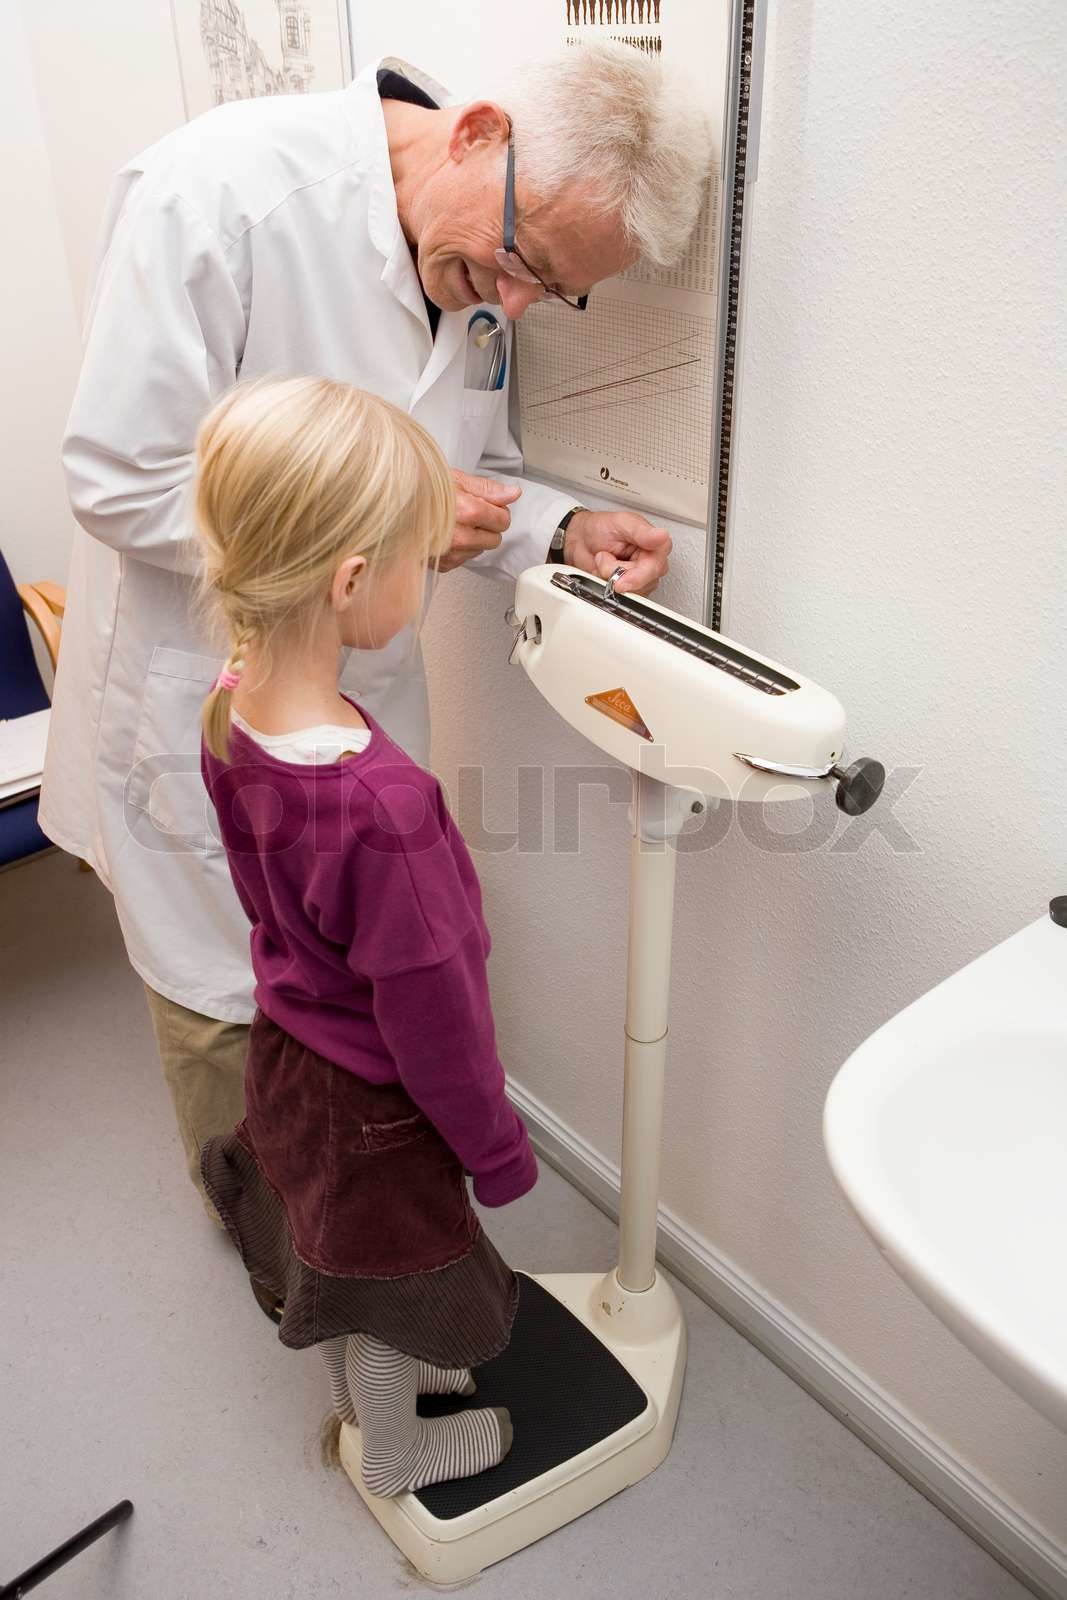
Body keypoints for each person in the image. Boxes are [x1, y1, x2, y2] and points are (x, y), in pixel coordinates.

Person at [40, 42, 713, 1226]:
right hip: (207, 680)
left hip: (356, 701)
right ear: (475, 132)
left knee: (344, 988)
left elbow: (469, 475)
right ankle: (265, 1240)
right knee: (221, 990)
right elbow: (117, 477)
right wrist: (385, 514)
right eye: (524, 260)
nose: (513, 303)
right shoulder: (219, 194)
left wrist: (558, 528)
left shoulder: (476, 264)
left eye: (551, 291)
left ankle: (344, 1233)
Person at [195, 374, 533, 1493]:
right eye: (418, 560)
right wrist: (494, 1148)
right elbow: (436, 1011)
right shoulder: (381, 806)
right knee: (387, 1285)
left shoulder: (233, 702)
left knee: (337, 1254)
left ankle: (367, 1401)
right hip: (376, 1100)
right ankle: (390, 1451)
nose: (423, 578)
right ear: (350, 581)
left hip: (291, 1053)